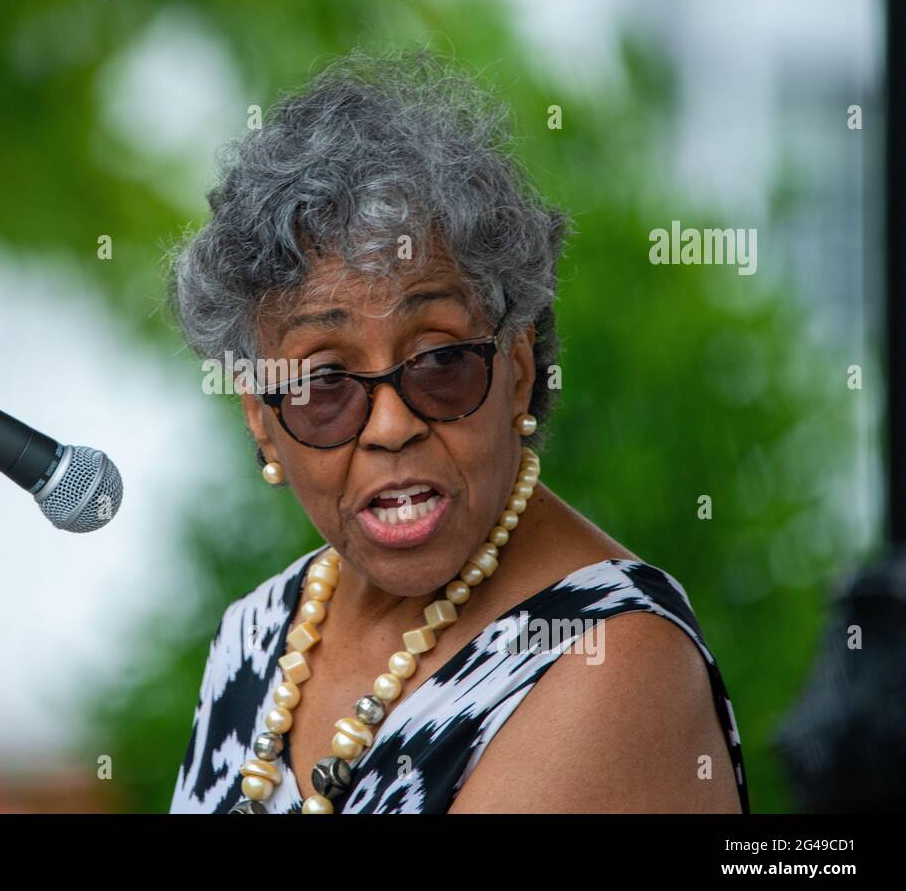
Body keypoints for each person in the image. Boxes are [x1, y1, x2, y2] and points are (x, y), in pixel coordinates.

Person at [165, 48, 747, 814]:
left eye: (439, 360)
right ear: (262, 420)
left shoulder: (611, 657)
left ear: (517, 369)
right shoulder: (256, 634)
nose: (393, 423)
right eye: (325, 383)